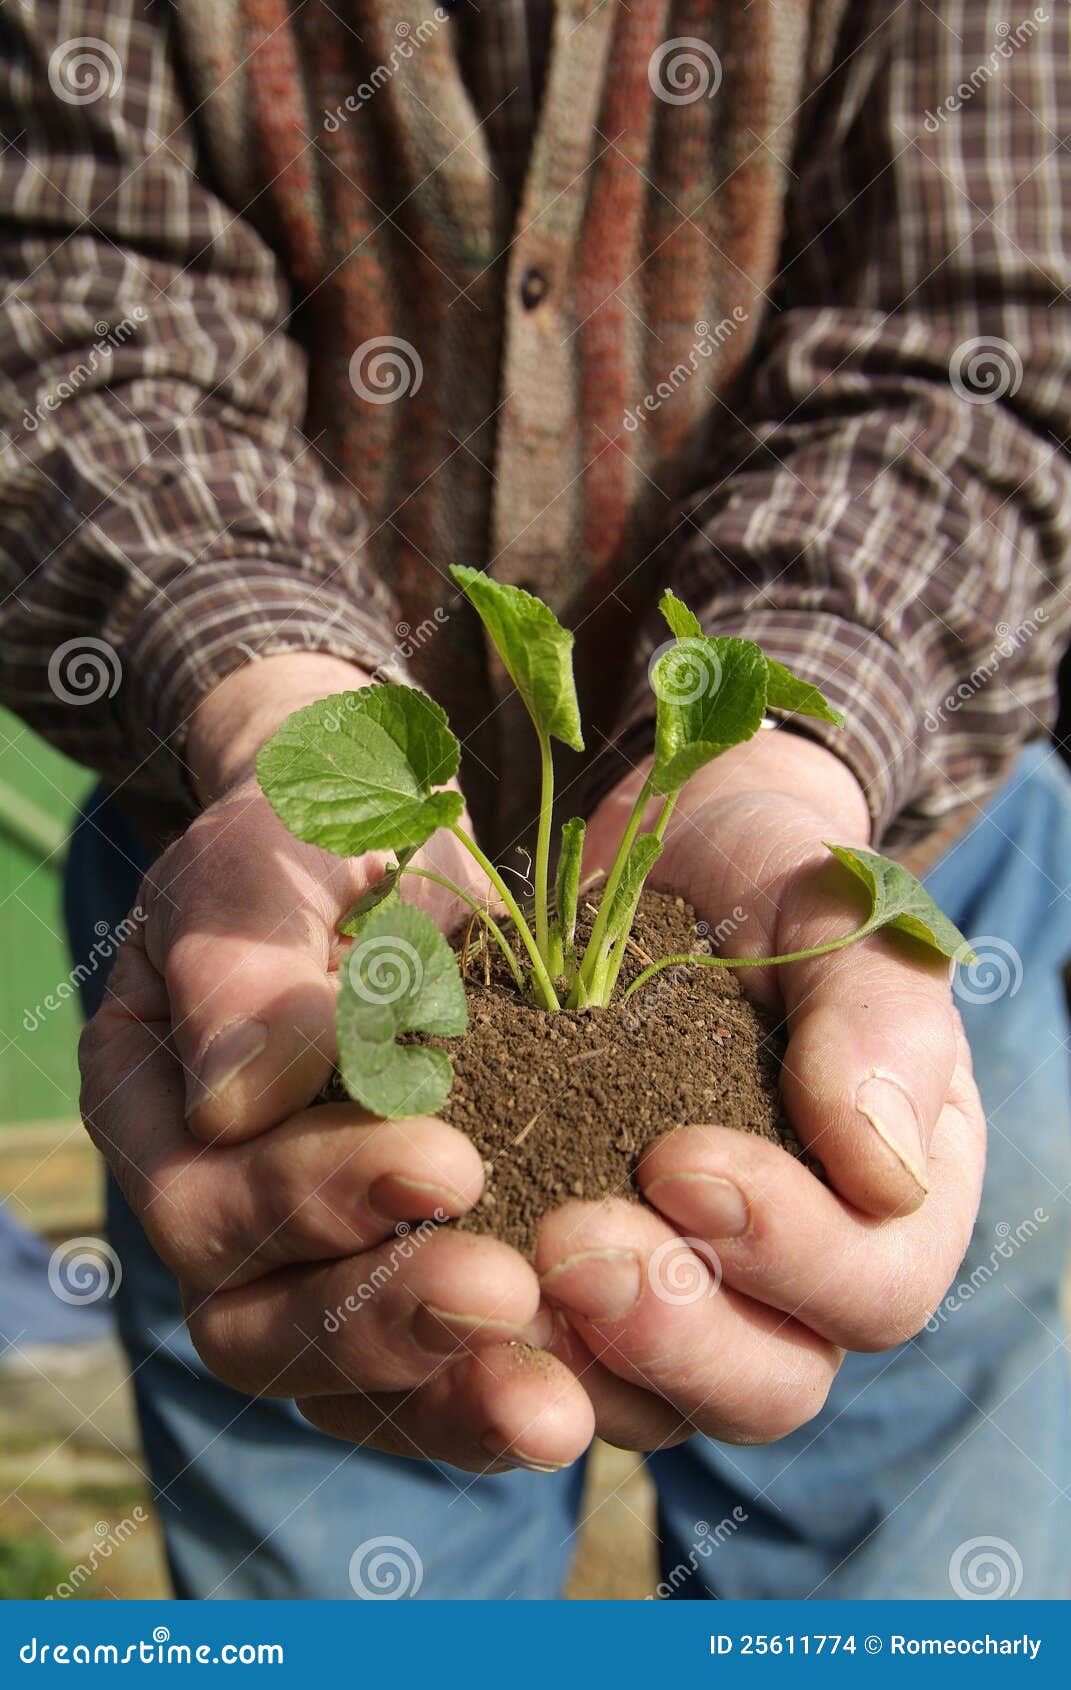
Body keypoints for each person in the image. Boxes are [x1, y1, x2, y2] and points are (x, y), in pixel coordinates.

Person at [2, 0, 1070, 1599]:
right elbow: (79, 312)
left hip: (853, 883)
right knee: (362, 1563)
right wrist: (275, 701)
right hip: (263, 916)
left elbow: (981, 353)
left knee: (908, 1575)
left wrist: (779, 757)